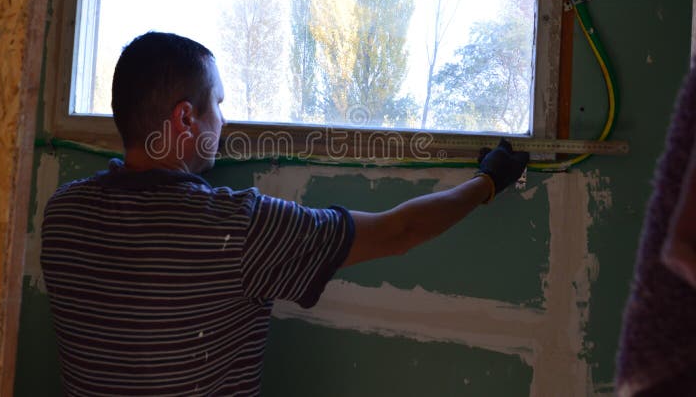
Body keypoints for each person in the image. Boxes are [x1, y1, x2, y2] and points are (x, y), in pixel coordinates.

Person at [41, 31, 529, 396]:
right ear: (185, 118)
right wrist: (487, 182)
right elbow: (398, 231)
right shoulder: (239, 229)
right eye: (219, 105)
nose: (226, 121)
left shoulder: (62, 215)